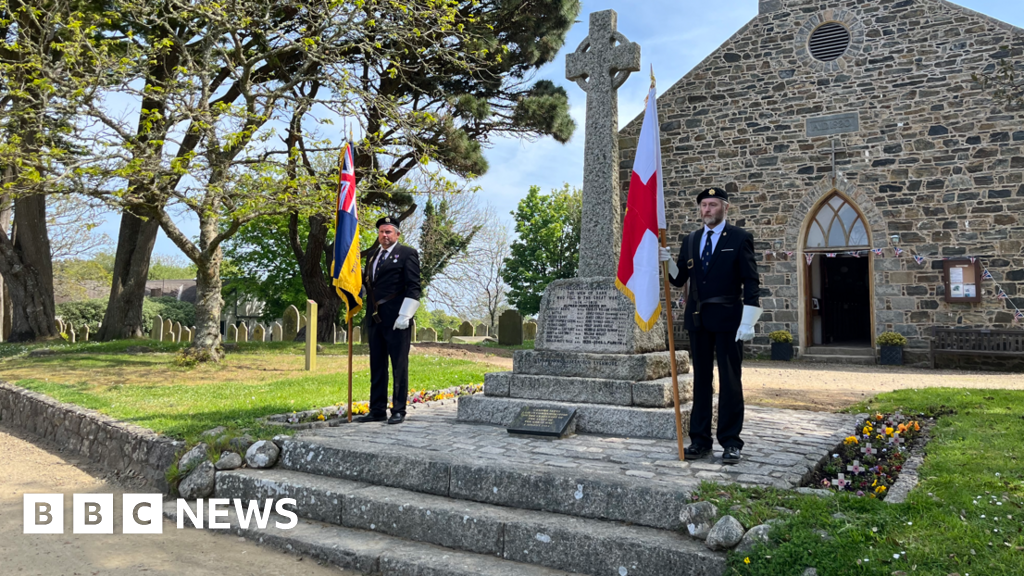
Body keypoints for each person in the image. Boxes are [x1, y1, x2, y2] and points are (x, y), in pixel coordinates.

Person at [659, 187, 761, 464]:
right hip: (697, 318)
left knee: (730, 381)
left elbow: (751, 281)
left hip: (729, 317)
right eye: (703, 205)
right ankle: (700, 440)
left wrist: (749, 319)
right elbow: (680, 280)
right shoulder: (691, 240)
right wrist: (668, 263)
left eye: (712, 204)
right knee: (701, 381)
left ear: (725, 208)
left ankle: (730, 441)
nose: (707, 210)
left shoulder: (740, 238)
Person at [356, 216, 421, 425]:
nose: (384, 235)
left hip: (397, 318)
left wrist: (406, 315)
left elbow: (413, 286)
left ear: (397, 234)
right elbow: (370, 284)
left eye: (388, 232)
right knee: (377, 365)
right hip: (375, 318)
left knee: (399, 365)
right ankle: (377, 409)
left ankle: (399, 410)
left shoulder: (407, 254)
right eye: (382, 232)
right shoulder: (373, 256)